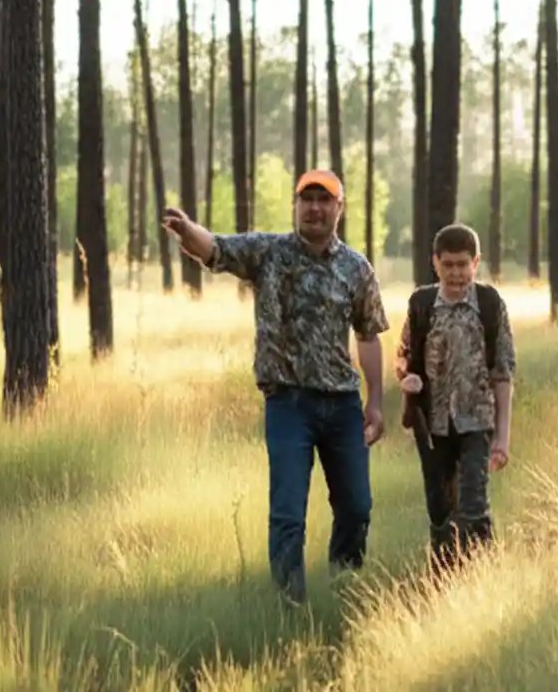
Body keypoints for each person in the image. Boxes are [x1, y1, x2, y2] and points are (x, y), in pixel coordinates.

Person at [160, 169, 388, 605]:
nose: (315, 208)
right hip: (288, 404)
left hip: (342, 405)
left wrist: (375, 402)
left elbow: (368, 335)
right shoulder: (268, 252)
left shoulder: (356, 268)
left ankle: (344, 590)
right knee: (287, 513)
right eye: (308, 200)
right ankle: (290, 604)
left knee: (357, 507)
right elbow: (216, 249)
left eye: (325, 201)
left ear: (339, 209)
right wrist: (188, 230)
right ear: (296, 205)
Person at [395, 223, 516, 574]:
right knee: (439, 508)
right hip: (432, 426)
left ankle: (483, 577)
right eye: (448, 265)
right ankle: (442, 579)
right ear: (435, 263)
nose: (456, 273)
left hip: (478, 422)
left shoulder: (490, 305)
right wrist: (407, 378)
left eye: (463, 264)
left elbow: (503, 373)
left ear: (475, 263)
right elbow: (403, 356)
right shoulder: (422, 305)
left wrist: (503, 437)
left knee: (473, 503)